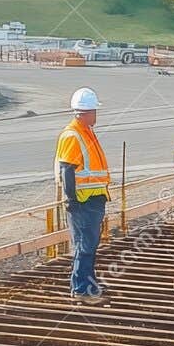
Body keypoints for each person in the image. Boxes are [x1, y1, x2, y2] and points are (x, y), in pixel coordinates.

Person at [55, 87, 110, 302]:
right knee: (85, 246)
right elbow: (67, 169)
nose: (96, 114)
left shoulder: (85, 132)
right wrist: (71, 200)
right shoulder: (73, 135)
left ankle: (88, 285)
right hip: (83, 201)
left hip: (92, 199)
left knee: (89, 244)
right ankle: (81, 289)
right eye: (94, 110)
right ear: (86, 112)